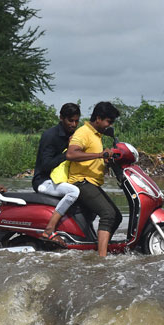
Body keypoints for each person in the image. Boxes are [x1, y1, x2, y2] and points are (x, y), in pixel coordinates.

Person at [67, 101, 120, 257]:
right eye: (108, 121)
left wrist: (106, 161)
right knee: (108, 214)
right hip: (81, 181)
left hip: (92, 183)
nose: (108, 125)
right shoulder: (83, 132)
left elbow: (94, 159)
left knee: (116, 216)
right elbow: (71, 154)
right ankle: (101, 259)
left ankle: (98, 248)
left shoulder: (97, 135)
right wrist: (99, 155)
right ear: (98, 118)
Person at [32, 103, 81, 245]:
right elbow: (46, 164)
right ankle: (49, 229)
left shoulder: (73, 135)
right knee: (73, 192)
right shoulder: (50, 136)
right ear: (61, 118)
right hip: (44, 181)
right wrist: (68, 152)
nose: (73, 124)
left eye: (76, 121)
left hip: (60, 179)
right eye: (70, 120)